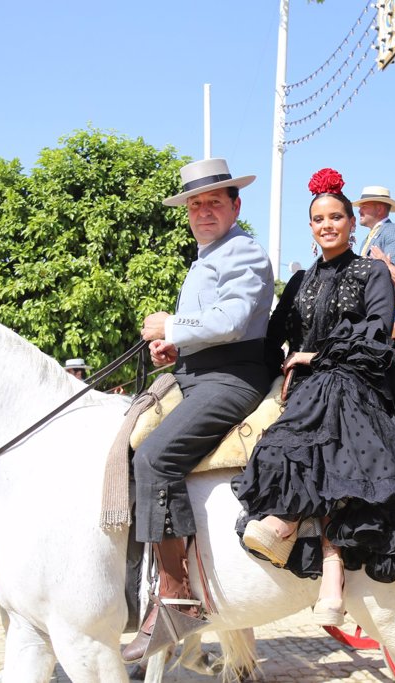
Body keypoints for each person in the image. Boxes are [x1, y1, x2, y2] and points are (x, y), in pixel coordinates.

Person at [234, 168, 395, 626]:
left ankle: (290, 525)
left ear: (352, 223)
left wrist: (315, 355)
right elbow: (273, 341)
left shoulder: (373, 272)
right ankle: (325, 565)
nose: (327, 225)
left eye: (335, 217)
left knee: (334, 393)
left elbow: (375, 335)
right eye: (318, 219)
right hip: (312, 383)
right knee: (313, 404)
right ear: (310, 228)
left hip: (364, 376)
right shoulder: (297, 283)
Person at [122, 157, 275, 664]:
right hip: (198, 372)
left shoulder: (245, 251)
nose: (204, 211)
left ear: (236, 205)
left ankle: (176, 597)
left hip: (233, 377)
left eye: (214, 201)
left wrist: (171, 326)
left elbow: (232, 320)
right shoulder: (207, 255)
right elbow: (206, 325)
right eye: (195, 204)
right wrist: (176, 349)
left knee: (154, 460)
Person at [351, 185, 395, 264]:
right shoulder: (365, 241)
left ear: (380, 209)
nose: (359, 211)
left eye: (363, 207)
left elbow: (392, 269)